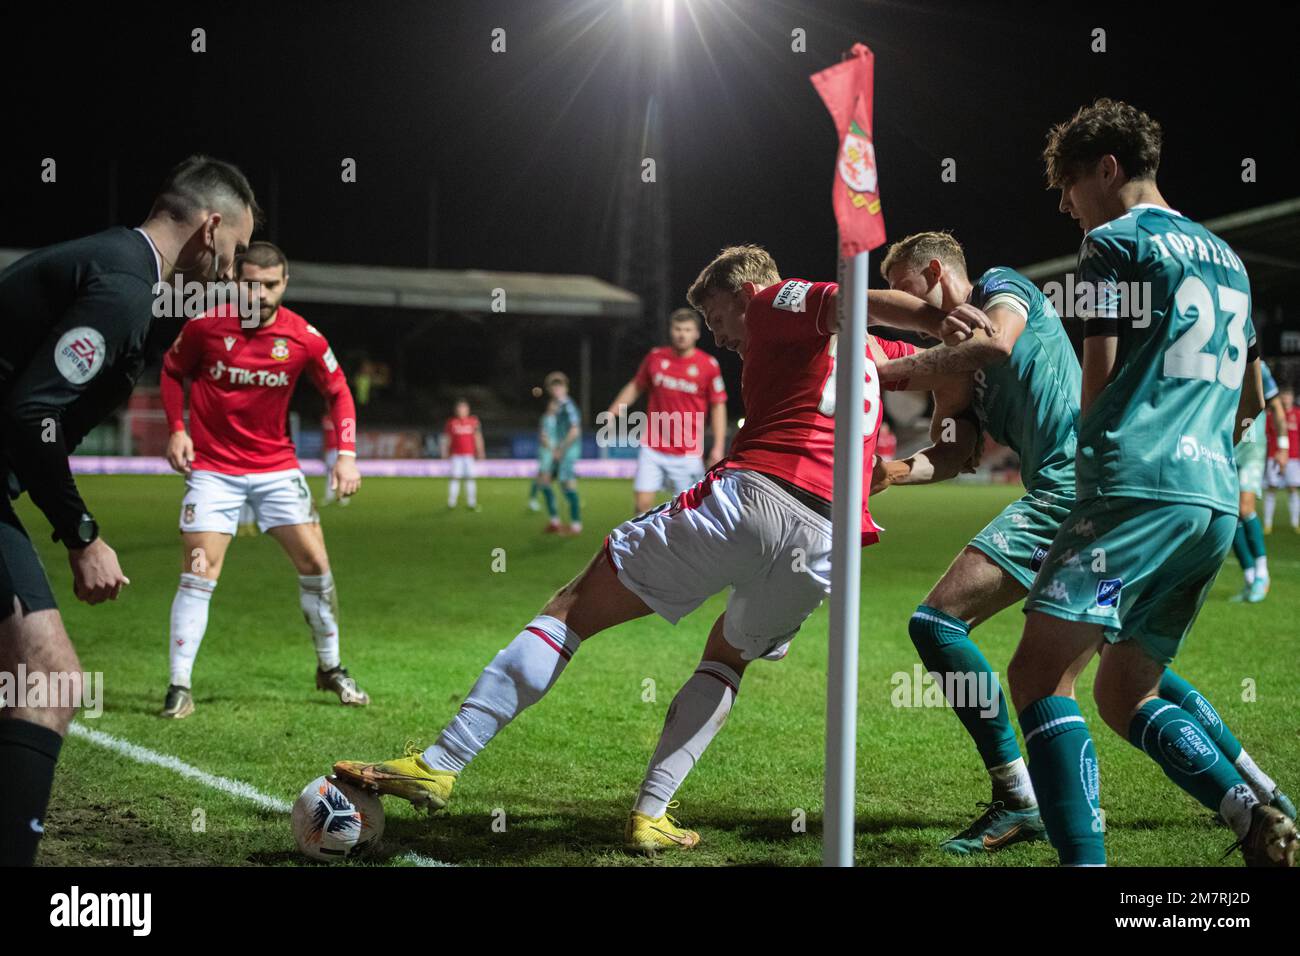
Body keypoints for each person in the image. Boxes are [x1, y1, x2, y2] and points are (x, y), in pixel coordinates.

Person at [331, 244, 982, 853]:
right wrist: (974, 336)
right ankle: (651, 815)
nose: (721, 332)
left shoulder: (773, 299)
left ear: (746, 290)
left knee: (572, 608)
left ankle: (439, 765)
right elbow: (940, 367)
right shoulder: (872, 353)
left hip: (754, 498)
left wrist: (943, 315)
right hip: (826, 539)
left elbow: (850, 297)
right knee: (727, 660)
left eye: (716, 314)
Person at [873, 229, 1292, 855]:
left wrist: (881, 372)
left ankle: (1020, 798)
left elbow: (995, 341)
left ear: (935, 271)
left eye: (907, 292)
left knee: (938, 623)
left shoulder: (1001, 289)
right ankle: (1262, 795)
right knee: (1123, 666)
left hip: (1068, 494)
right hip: (1090, 493)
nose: (911, 318)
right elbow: (956, 452)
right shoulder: (952, 362)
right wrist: (892, 473)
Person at [1008, 98, 1296, 866]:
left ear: (1107, 168)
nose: (1067, 206)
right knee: (1123, 688)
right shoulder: (1226, 257)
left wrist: (1090, 465)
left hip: (1131, 496)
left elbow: (1096, 377)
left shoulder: (1111, 243)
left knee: (1040, 674)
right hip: (1206, 509)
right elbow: (1251, 393)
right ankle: (1250, 812)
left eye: (1068, 185)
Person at [0, 155, 257, 865]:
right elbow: (29, 417)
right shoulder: (122, 283)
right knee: (48, 678)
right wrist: (81, 533)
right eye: (233, 253)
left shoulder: (115, 268)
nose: (230, 274)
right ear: (210, 229)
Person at [159, 241, 368, 719]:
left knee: (316, 565)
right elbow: (171, 372)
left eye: (271, 285)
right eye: (251, 284)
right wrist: (176, 429)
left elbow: (339, 392)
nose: (261, 294)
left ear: (284, 284)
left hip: (276, 470)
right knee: (199, 571)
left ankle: (331, 668)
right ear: (236, 282)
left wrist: (347, 455)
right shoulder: (204, 328)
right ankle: (178, 685)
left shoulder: (304, 338)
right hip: (213, 472)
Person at [606, 308, 728, 514]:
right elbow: (636, 386)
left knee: (690, 512)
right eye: (678, 329)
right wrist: (613, 410)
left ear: (697, 333)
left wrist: (717, 446)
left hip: (688, 452)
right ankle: (646, 546)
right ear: (671, 330)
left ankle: (681, 546)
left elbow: (718, 406)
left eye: (687, 330)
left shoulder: (708, 365)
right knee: (642, 505)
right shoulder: (655, 357)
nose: (682, 334)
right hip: (652, 447)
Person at [1228, 361, 1285, 600]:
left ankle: (1263, 573)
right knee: (1229, 516)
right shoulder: (1220, 358)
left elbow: (1277, 407)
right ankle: (1250, 577)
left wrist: (1283, 446)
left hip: (1251, 449)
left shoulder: (1256, 367)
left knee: (1244, 507)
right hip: (1225, 447)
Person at [536, 372, 582, 535]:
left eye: (559, 386)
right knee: (544, 481)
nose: (556, 389)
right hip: (559, 451)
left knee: (567, 484)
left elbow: (575, 430)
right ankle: (555, 521)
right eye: (553, 386)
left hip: (566, 452)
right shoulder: (557, 406)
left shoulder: (567, 405)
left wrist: (561, 450)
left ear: (566, 388)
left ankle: (576, 525)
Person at [1263, 385, 1299, 533]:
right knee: (1272, 488)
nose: (1285, 398)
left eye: (1288, 395)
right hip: (1274, 456)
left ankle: (1295, 523)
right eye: (1283, 396)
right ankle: (1267, 524)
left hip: (1294, 458)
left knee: (1292, 488)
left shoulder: (1297, 414)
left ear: (1292, 398)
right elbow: (1266, 436)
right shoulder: (1272, 416)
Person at [442, 398, 484, 510]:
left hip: (469, 455)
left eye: (464, 408)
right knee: (455, 478)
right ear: (456, 410)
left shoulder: (473, 421)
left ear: (468, 409)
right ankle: (451, 502)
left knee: (470, 478)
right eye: (460, 408)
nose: (462, 410)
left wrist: (480, 451)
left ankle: (471, 502)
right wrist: (444, 451)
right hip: (456, 455)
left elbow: (478, 437)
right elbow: (447, 438)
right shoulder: (451, 422)